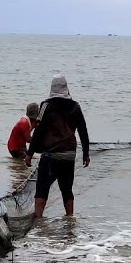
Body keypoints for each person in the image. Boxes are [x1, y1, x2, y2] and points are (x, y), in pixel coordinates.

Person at [24, 74, 91, 218]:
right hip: (69, 155)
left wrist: (29, 154)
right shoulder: (75, 106)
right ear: (66, 88)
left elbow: (39, 131)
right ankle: (70, 219)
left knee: (42, 188)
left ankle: (38, 222)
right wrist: (86, 153)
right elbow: (83, 130)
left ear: (52, 88)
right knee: (67, 190)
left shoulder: (46, 105)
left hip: (51, 155)